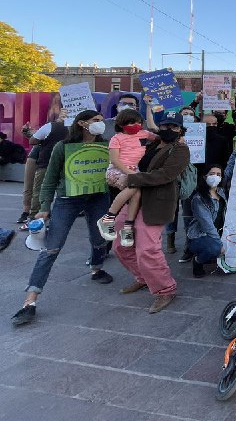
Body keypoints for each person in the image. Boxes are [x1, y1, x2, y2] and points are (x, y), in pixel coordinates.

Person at [11, 110, 114, 327]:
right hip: (67, 200)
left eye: (101, 121)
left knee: (99, 239)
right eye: (96, 121)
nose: (100, 124)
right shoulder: (63, 147)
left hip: (98, 198)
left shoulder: (107, 146)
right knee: (51, 248)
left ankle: (96, 267)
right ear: (82, 123)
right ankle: (30, 300)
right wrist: (44, 207)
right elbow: (49, 180)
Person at [113, 111, 190, 314]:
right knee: (121, 244)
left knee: (147, 249)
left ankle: (165, 289)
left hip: (156, 202)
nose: (168, 130)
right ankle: (144, 278)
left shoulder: (181, 150)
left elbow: (165, 175)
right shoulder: (153, 142)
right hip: (134, 199)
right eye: (164, 126)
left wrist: (132, 179)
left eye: (173, 127)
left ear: (181, 129)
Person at [96, 108, 159, 246]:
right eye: (131, 123)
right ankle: (108, 217)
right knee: (135, 185)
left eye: (138, 122)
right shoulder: (116, 138)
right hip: (117, 170)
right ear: (122, 124)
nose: (135, 125)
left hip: (135, 171)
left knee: (136, 194)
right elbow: (115, 160)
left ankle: (128, 227)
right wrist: (129, 173)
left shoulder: (144, 134)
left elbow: (159, 137)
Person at [187, 165, 226, 278]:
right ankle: (198, 261)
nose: (215, 177)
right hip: (199, 236)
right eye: (212, 174)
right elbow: (207, 225)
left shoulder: (222, 192)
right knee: (215, 249)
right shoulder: (199, 198)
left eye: (218, 175)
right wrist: (220, 244)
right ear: (205, 177)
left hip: (218, 232)